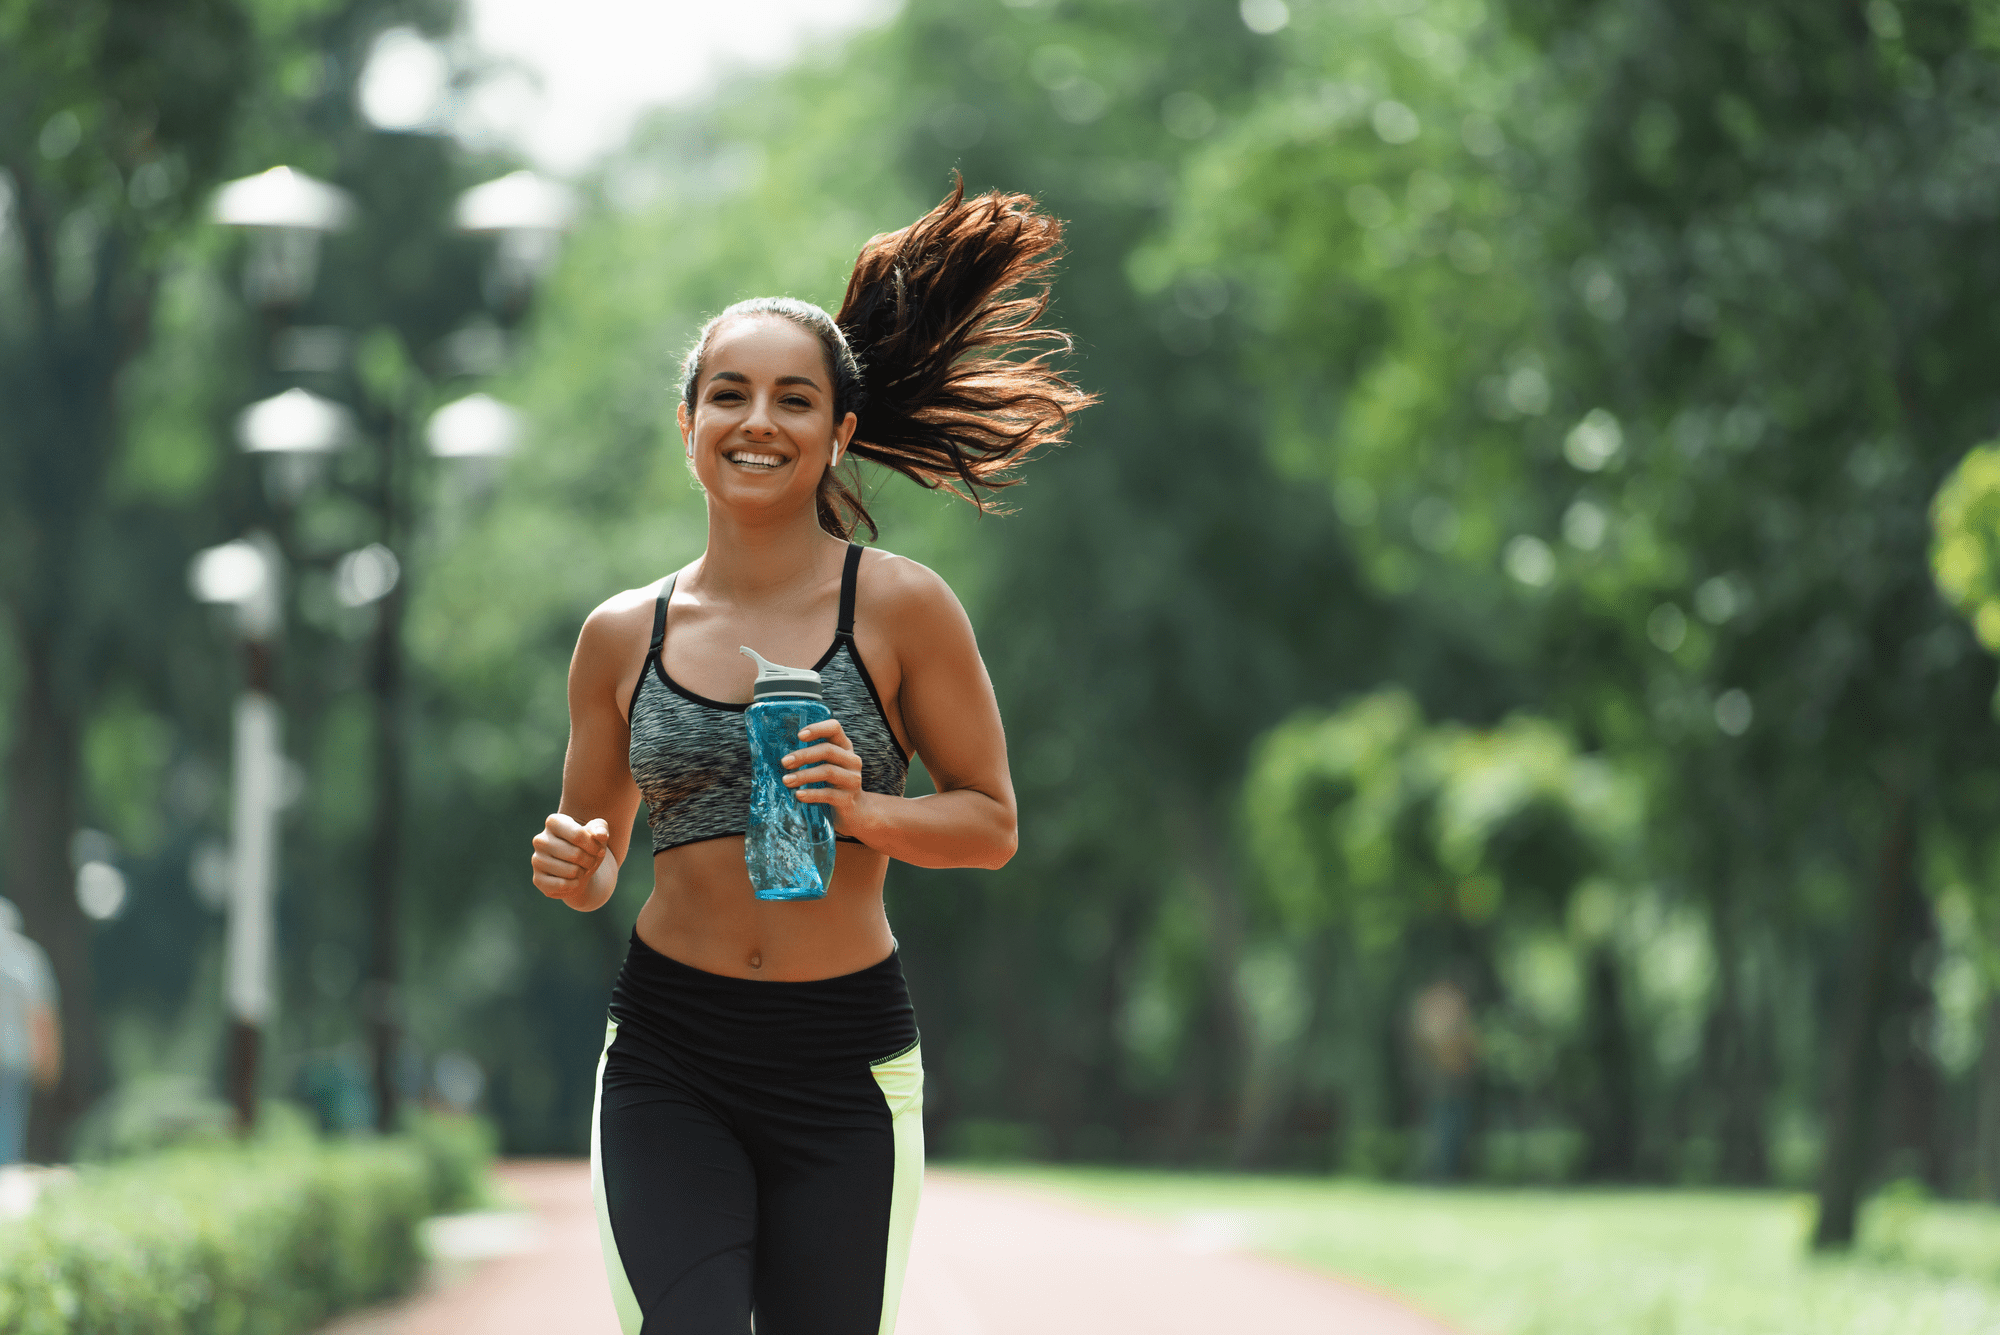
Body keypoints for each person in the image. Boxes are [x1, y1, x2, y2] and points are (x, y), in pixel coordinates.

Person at [529, 181, 1091, 1335]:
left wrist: (869, 811)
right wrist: (575, 866)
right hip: (667, 1053)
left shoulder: (899, 610)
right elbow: (596, 852)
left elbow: (990, 822)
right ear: (685, 423)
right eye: (727, 395)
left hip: (843, 1064)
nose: (757, 423)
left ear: (837, 432)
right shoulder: (618, 636)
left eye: (794, 400)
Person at [0, 897, 61, 1166]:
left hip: (12, 1062)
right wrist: (49, 1061)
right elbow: (41, 1015)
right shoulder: (26, 957)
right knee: (8, 1132)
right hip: (14, 1060)